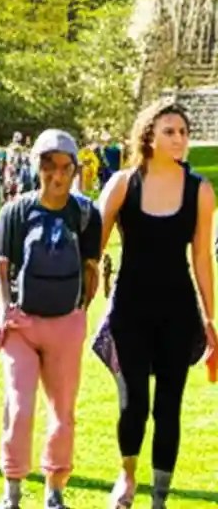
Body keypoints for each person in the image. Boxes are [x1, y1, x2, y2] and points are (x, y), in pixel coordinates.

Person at [94, 100, 217, 508]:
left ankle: (160, 497)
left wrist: (211, 318)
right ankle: (127, 476)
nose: (179, 138)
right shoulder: (123, 184)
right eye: (169, 131)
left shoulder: (200, 190)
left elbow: (202, 256)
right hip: (130, 309)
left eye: (183, 131)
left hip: (178, 313)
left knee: (169, 407)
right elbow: (91, 246)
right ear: (148, 136)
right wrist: (79, 294)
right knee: (134, 405)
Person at [0, 130, 103, 509]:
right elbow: (2, 264)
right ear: (35, 167)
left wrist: (78, 314)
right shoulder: (16, 212)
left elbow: (92, 269)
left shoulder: (86, 213)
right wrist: (6, 309)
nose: (56, 174)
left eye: (63, 166)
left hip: (65, 323)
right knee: (19, 406)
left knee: (63, 411)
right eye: (47, 165)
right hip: (21, 323)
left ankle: (55, 489)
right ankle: (12, 490)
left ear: (74, 169)